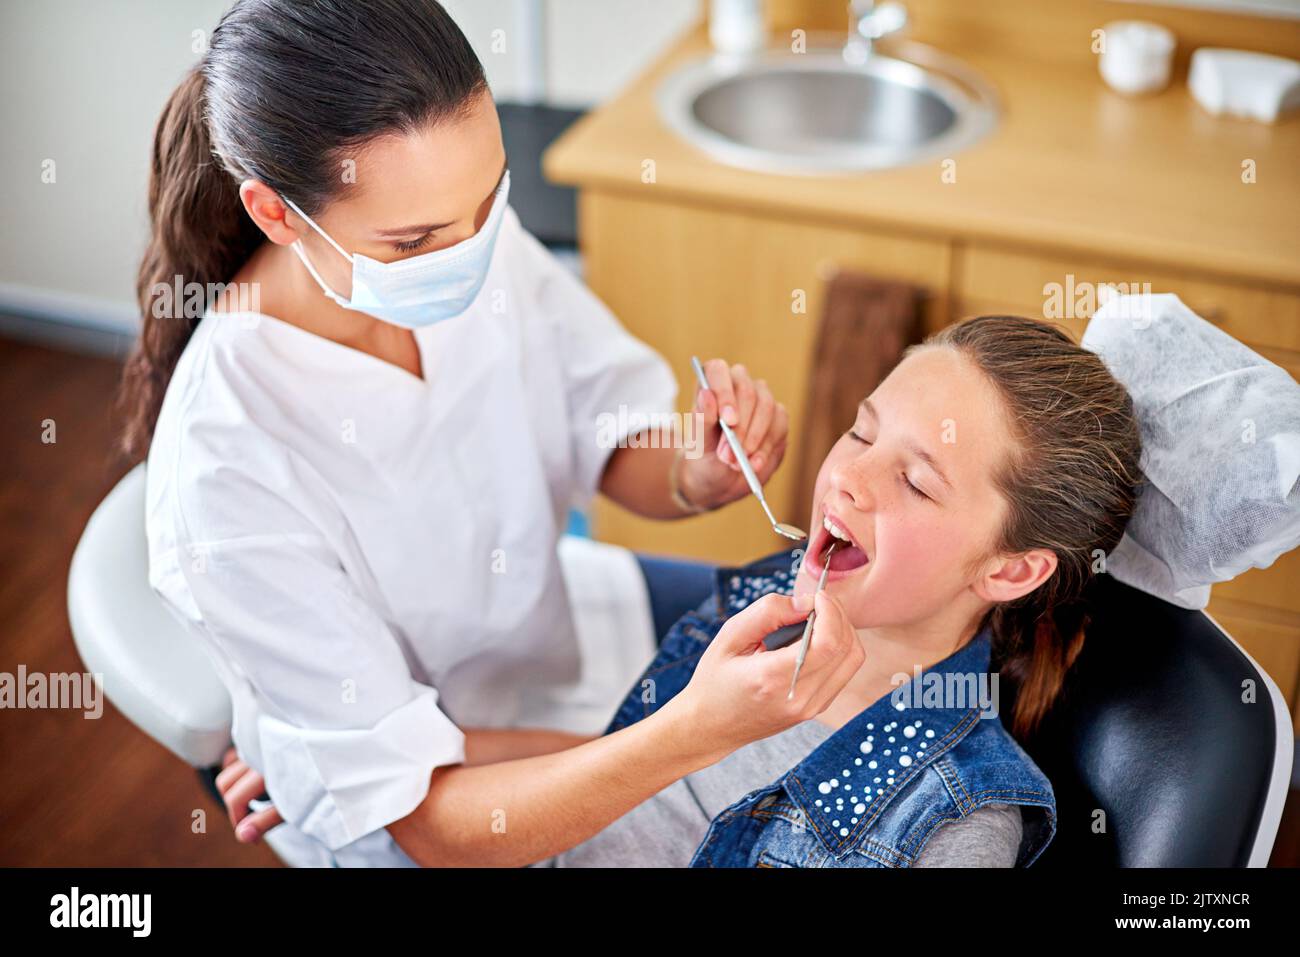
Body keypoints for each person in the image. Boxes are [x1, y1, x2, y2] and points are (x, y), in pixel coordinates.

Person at [127, 0, 861, 868]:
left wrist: (689, 474)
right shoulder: (225, 467)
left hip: (547, 651)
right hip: (443, 812)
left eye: (489, 199)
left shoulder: (462, 227)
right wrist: (691, 735)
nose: (472, 251)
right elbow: (432, 816)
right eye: (415, 240)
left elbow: (608, 434)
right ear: (278, 214)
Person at [230, 315, 1143, 867]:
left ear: (1012, 569)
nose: (850, 481)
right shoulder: (772, 608)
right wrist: (394, 764)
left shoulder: (960, 823)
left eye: (917, 481)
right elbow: (632, 765)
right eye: (862, 434)